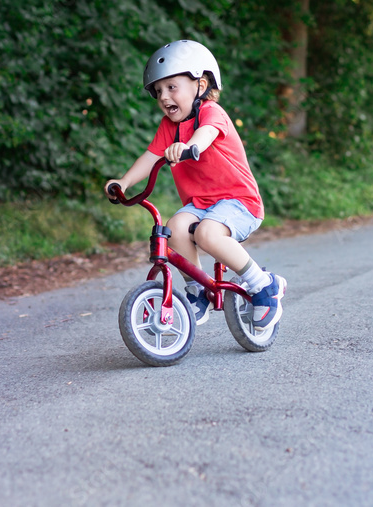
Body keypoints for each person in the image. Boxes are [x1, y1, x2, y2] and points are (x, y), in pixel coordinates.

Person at [104, 40, 286, 328]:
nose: (164, 97)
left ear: (200, 85)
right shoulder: (169, 127)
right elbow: (151, 156)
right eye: (158, 91)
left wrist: (188, 146)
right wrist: (124, 182)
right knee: (172, 230)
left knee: (207, 234)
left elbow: (206, 135)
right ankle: (197, 290)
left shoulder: (211, 113)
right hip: (200, 204)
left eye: (172, 87)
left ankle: (263, 285)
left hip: (239, 202)